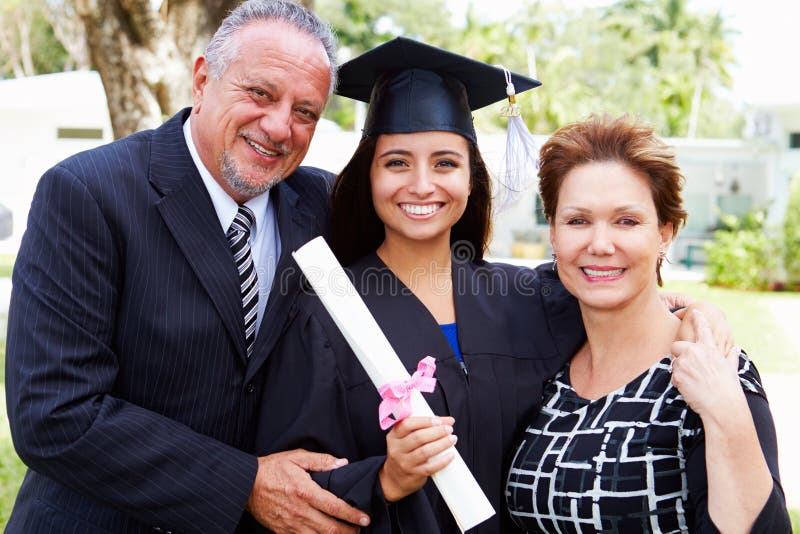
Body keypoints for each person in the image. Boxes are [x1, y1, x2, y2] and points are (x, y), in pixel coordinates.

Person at [250, 39, 726, 533]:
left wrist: (697, 313)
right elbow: (289, 496)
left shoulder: (535, 300)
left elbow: (625, 302)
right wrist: (386, 479)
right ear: (368, 176)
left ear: (472, 177)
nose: (420, 184)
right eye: (395, 162)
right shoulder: (323, 315)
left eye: (445, 163)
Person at [4, 1, 370, 532]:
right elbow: (54, 414)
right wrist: (244, 484)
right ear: (202, 80)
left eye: (305, 111)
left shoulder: (322, 205)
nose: (279, 126)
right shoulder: (89, 194)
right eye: (260, 93)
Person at [505, 115, 791, 533]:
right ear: (553, 233)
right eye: (577, 220)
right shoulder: (546, 365)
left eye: (627, 221)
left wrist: (724, 407)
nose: (600, 245)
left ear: (665, 234)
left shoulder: (709, 370)